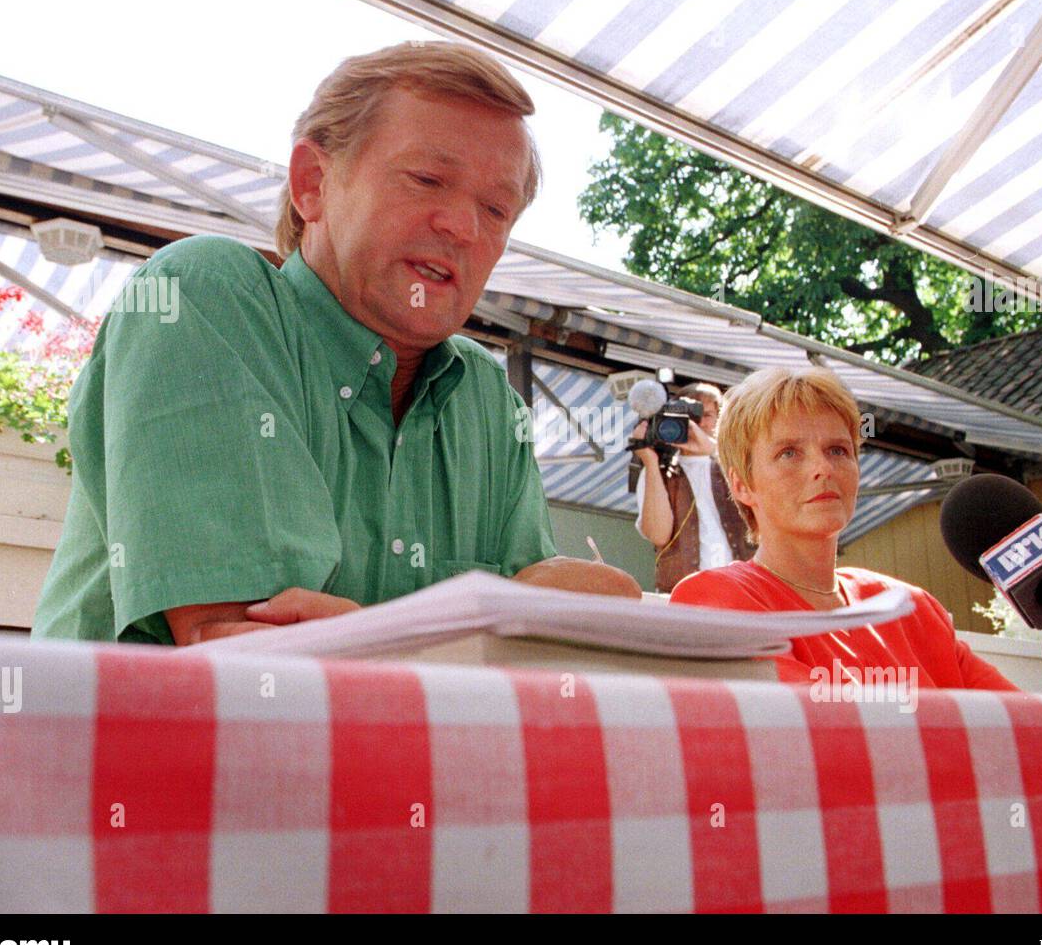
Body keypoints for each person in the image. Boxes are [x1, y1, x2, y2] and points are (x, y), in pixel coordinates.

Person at [32, 42, 639, 647]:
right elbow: (245, 651)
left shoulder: (487, 398)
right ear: (312, 183)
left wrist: (396, 636)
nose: (463, 226)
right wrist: (475, 631)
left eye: (496, 209)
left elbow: (562, 633)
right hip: (126, 744)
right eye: (427, 179)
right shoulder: (204, 296)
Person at [670, 367, 1042, 700]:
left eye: (838, 449)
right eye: (789, 452)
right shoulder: (715, 599)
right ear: (741, 483)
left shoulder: (910, 607)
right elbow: (829, 735)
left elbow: (1023, 726)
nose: (823, 468)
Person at [631, 382, 754, 593]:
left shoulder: (736, 465)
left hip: (742, 590)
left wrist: (715, 452)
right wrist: (650, 462)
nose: (699, 423)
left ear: (720, 420)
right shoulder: (660, 472)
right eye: (690, 417)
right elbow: (658, 535)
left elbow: (764, 509)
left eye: (706, 415)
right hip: (687, 596)